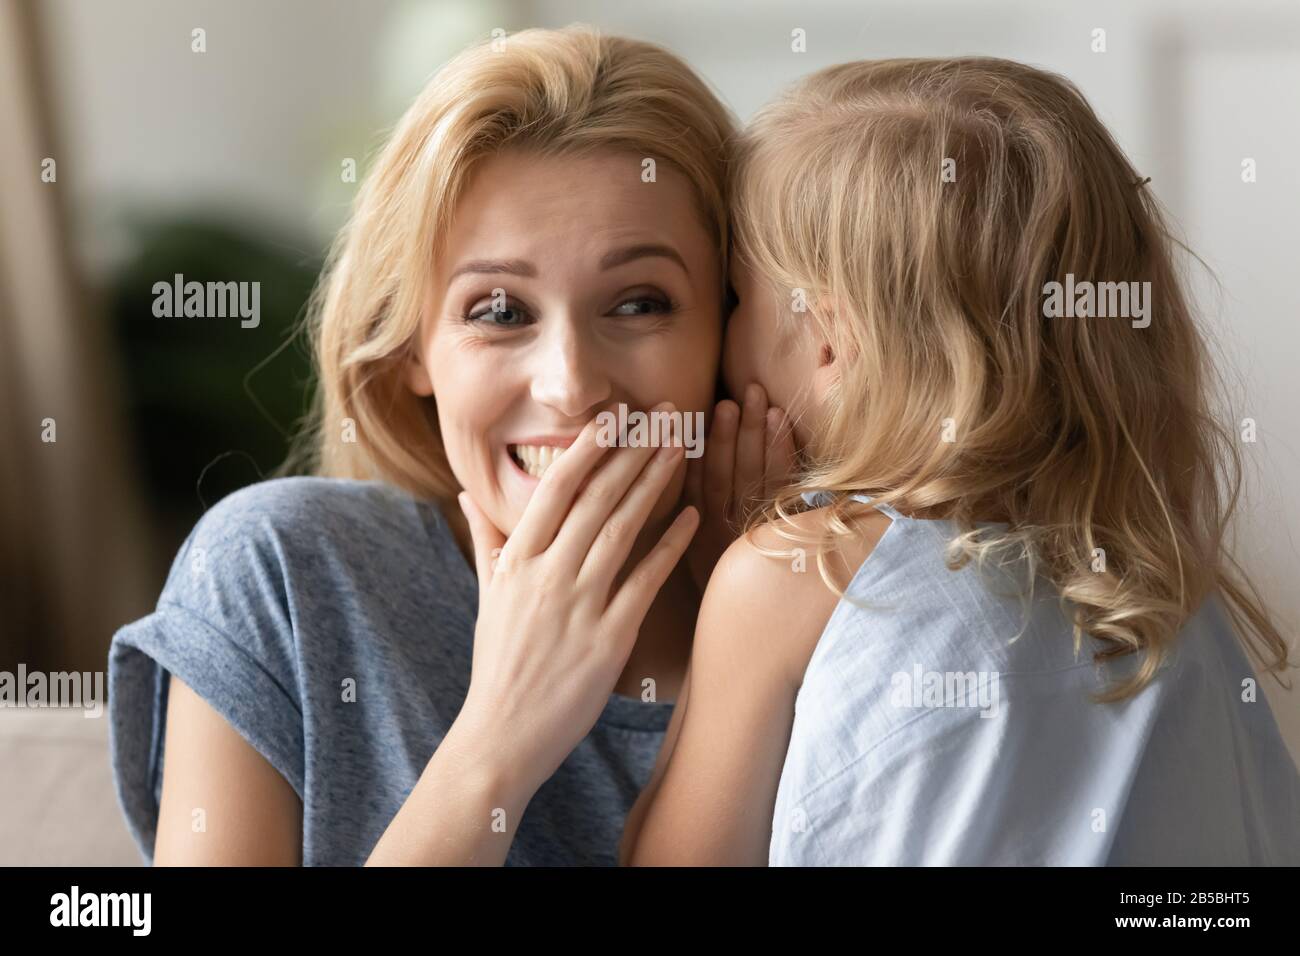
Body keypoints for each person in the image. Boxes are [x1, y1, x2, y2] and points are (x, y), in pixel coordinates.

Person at [107, 25, 791, 866]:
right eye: (500, 311)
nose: (571, 386)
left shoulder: (844, 604)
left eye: (640, 302)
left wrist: (747, 639)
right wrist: (498, 740)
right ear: (411, 350)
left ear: (733, 322)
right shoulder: (281, 577)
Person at [621, 57, 1300, 866]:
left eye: (737, 300)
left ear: (831, 340)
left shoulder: (789, 577)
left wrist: (731, 580)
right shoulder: (1166, 586)